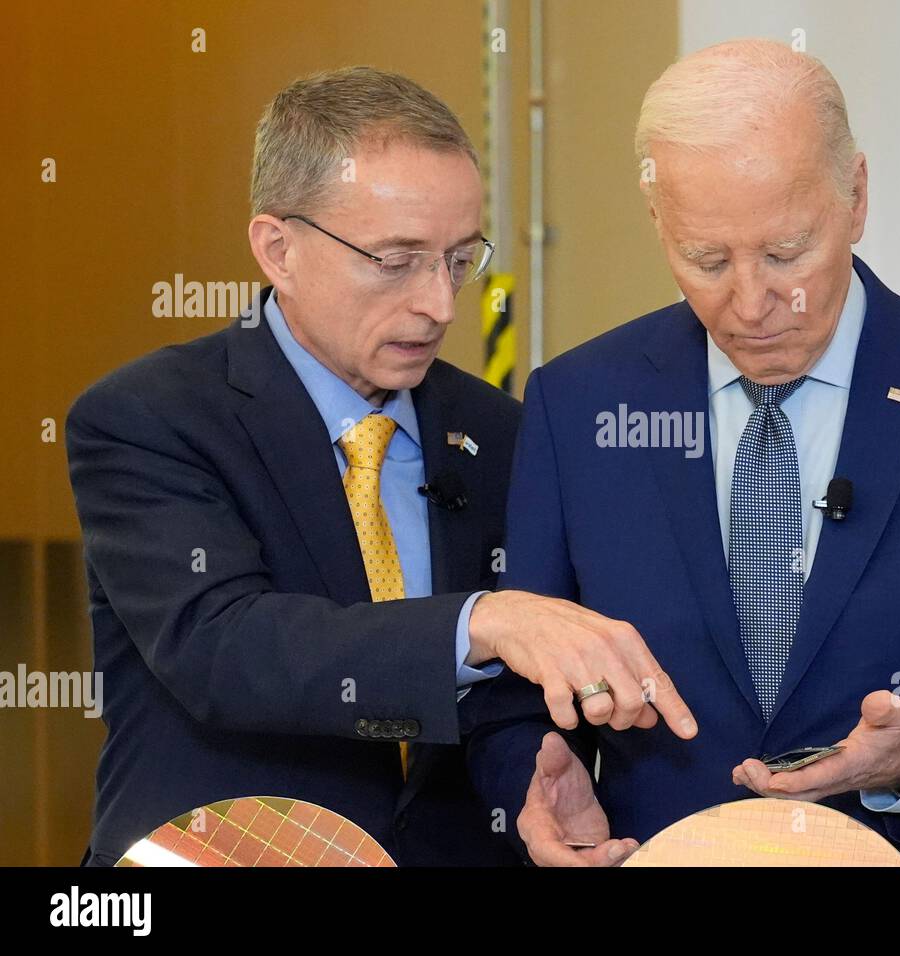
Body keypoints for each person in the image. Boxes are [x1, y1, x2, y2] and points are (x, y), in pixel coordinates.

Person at [464, 40, 900, 866]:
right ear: (660, 223)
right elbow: (512, 702)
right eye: (706, 259)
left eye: (787, 254)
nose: (753, 303)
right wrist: (535, 788)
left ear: (856, 197)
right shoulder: (577, 405)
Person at [65, 66, 694, 867]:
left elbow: (502, 700)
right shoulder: (151, 417)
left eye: (459, 260)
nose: (439, 303)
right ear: (278, 249)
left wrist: (531, 784)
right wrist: (482, 621)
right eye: (395, 261)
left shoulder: (499, 433)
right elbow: (222, 647)